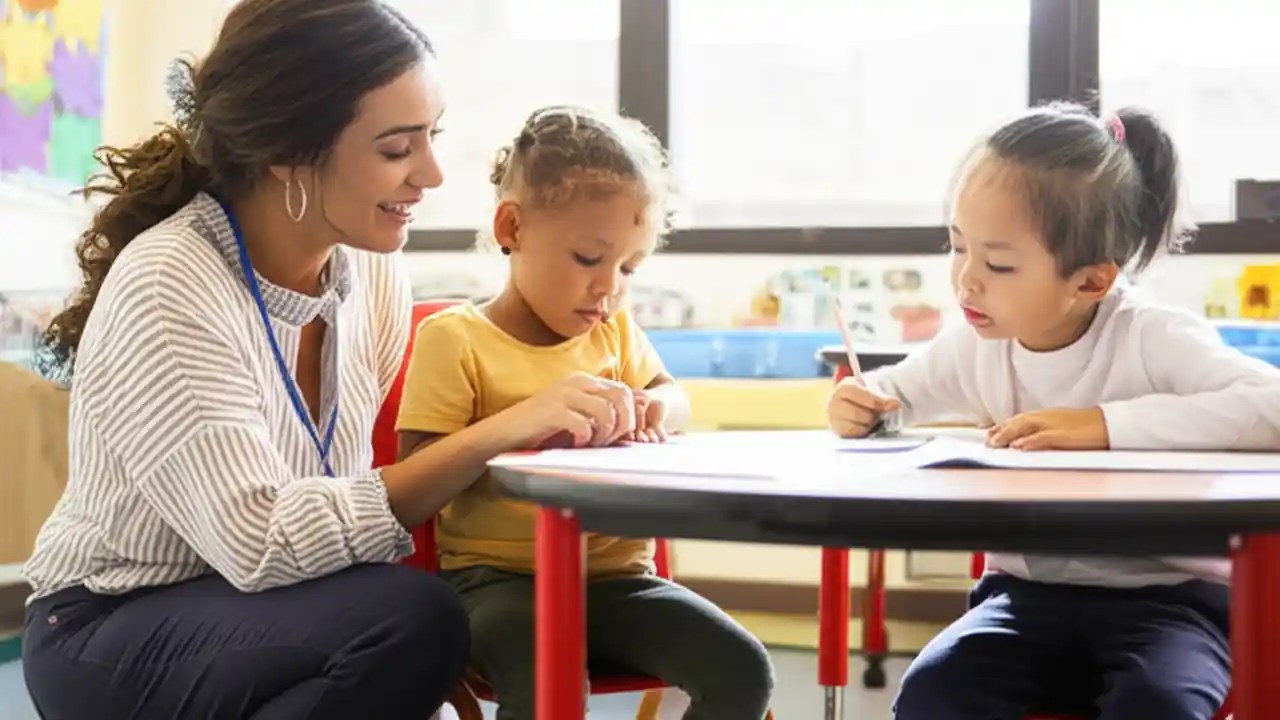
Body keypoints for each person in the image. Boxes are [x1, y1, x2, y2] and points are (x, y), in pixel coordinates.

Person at [22, 3, 640, 718]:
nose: (433, 174)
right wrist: (497, 432)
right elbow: (258, 543)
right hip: (110, 626)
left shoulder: (370, 271)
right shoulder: (172, 281)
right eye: (397, 149)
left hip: (266, 615)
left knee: (414, 621)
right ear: (290, 151)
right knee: (412, 617)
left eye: (432, 137)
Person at [828, 102, 1280, 720]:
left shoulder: (1151, 336)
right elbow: (893, 396)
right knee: (934, 697)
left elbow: (1272, 406)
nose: (965, 282)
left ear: (1091, 281)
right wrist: (862, 406)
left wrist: (1103, 425)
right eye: (957, 248)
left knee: (1159, 705)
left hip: (1171, 602)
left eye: (999, 264)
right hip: (1024, 599)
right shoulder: (976, 343)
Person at [396, 105, 775, 720]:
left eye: (628, 266)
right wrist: (522, 430)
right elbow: (418, 473)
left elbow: (675, 398)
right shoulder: (456, 340)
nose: (610, 288)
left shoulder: (616, 333)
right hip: (498, 583)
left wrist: (658, 407)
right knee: (549, 684)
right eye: (587, 259)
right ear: (512, 228)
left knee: (743, 669)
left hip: (619, 582)